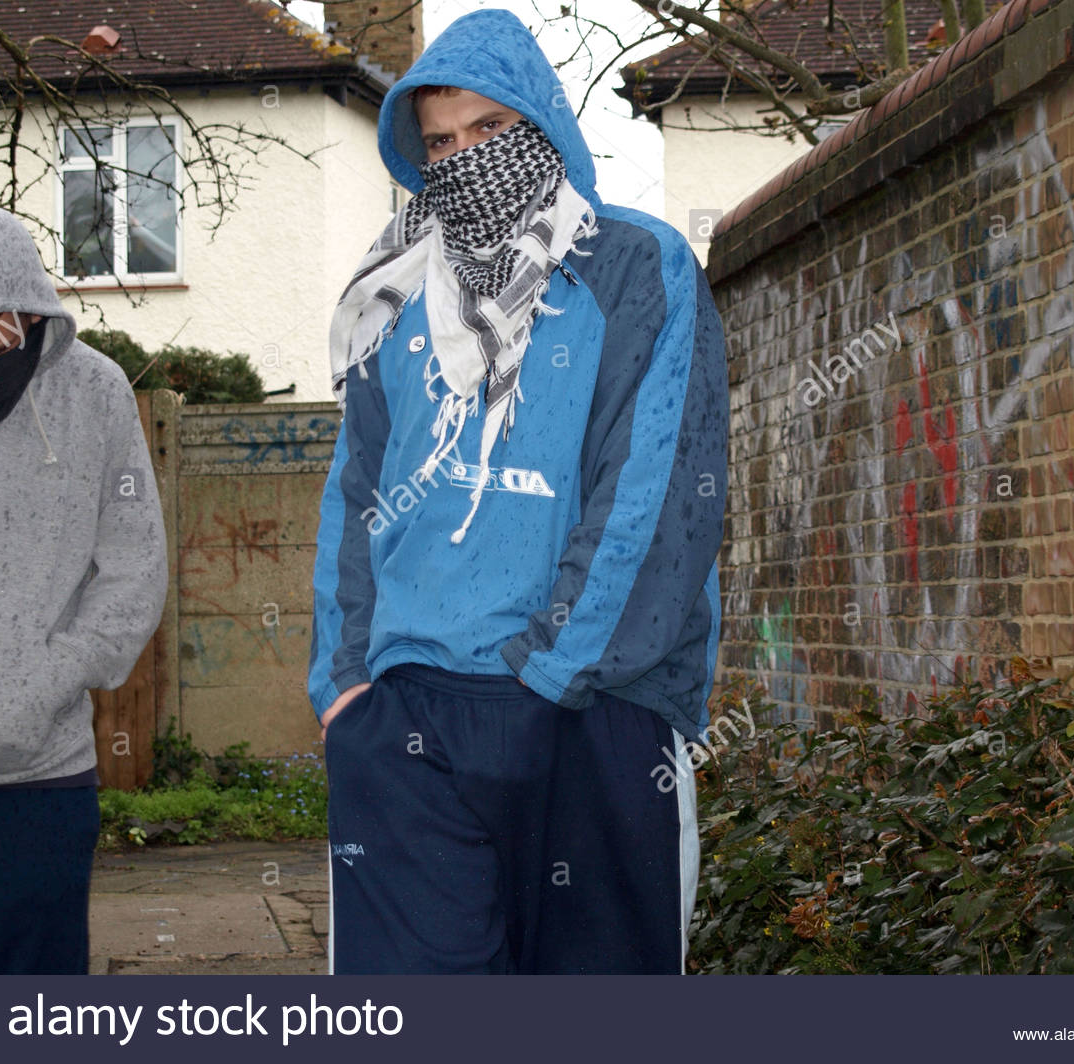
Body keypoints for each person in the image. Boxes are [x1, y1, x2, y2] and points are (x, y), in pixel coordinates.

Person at [309, 8, 727, 974]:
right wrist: (345, 689)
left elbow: (658, 494)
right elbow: (355, 492)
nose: (463, 161)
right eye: (440, 143)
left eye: (488, 131)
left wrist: (548, 675)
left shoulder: (635, 266)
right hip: (408, 722)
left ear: (541, 122)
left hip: (596, 714)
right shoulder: (394, 292)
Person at [0, 203, 168, 974]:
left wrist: (48, 678)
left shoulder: (96, 394)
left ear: (30, 308)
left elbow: (136, 564)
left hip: (36, 785)